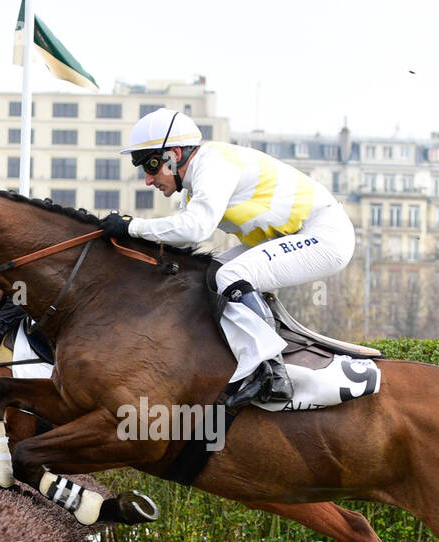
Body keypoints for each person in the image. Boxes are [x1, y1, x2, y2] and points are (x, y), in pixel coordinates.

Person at [98, 108, 355, 407]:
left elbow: (195, 229)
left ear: (175, 155)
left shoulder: (213, 164)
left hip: (324, 235)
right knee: (213, 271)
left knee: (231, 276)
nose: (147, 179)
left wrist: (132, 226)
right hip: (295, 235)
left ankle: (270, 372)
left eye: (151, 165)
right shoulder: (193, 187)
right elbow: (180, 236)